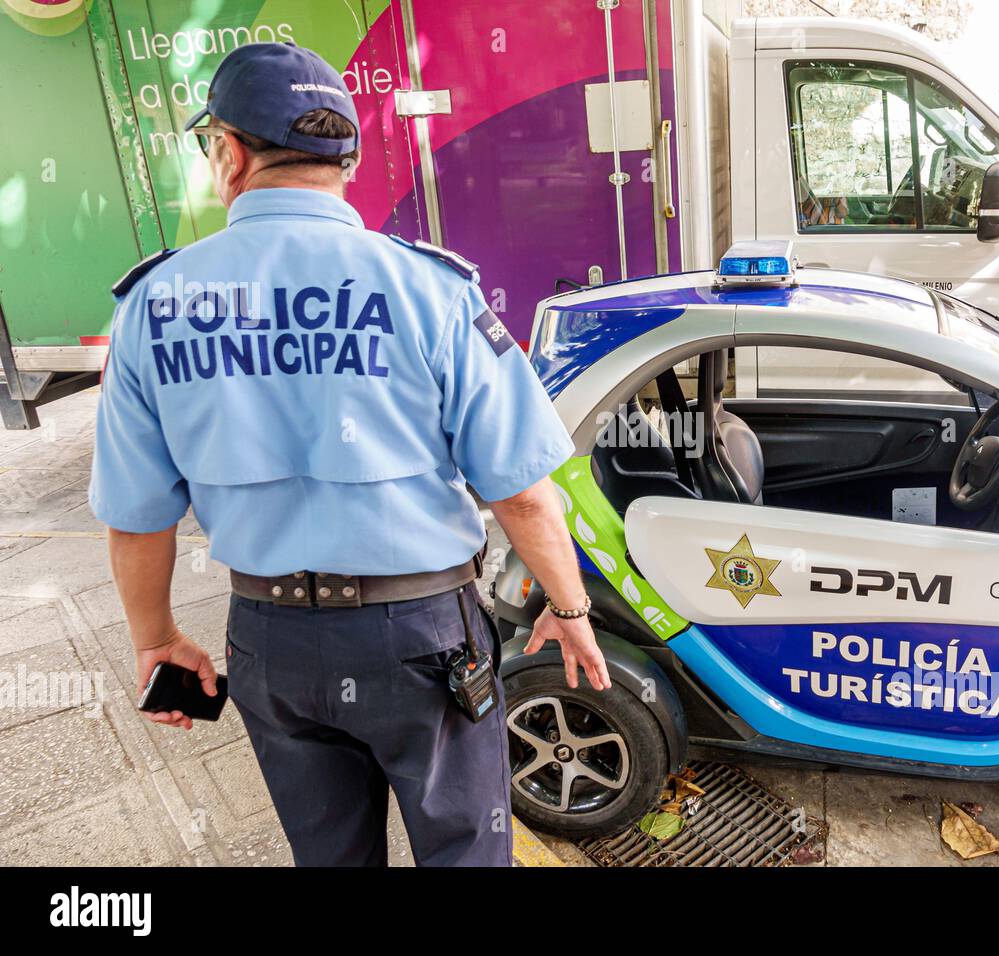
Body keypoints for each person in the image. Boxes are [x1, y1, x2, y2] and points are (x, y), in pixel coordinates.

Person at [89, 42, 609, 867]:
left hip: (269, 638)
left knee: (328, 855)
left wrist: (155, 639)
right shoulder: (432, 289)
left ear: (227, 151)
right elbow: (523, 495)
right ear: (349, 161)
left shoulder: (154, 304)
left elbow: (135, 517)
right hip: (424, 636)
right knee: (466, 849)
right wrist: (570, 610)